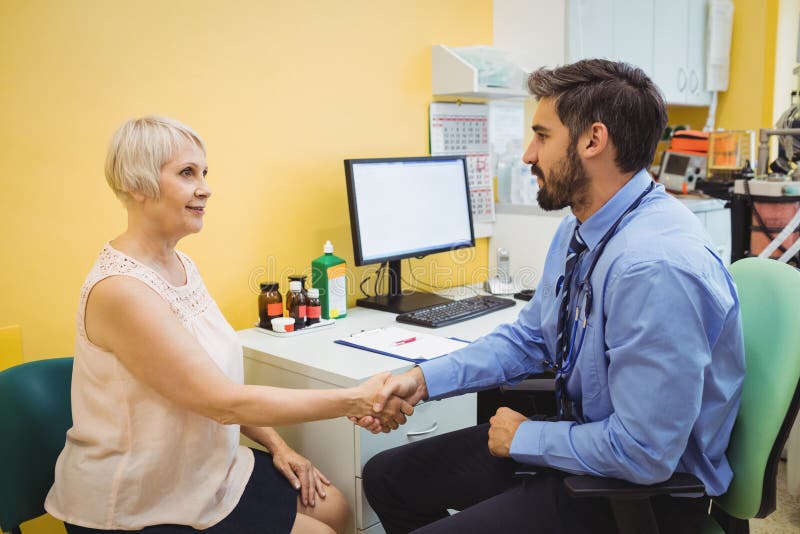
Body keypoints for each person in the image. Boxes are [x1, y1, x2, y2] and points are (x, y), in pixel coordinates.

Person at [359, 59, 746, 533]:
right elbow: (530, 340)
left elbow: (645, 454)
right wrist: (422, 380)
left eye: (542, 136)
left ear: (592, 141)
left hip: (638, 491)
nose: (527, 154)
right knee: (387, 478)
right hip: (583, 445)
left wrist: (527, 437)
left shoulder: (655, 267)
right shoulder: (580, 228)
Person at [45, 116, 411, 534]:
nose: (205, 187)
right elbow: (223, 403)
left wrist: (278, 445)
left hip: (206, 468)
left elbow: (212, 384)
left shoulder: (181, 264)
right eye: (187, 173)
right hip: (142, 496)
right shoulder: (121, 290)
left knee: (335, 508)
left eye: (204, 172)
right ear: (136, 184)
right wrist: (354, 400)